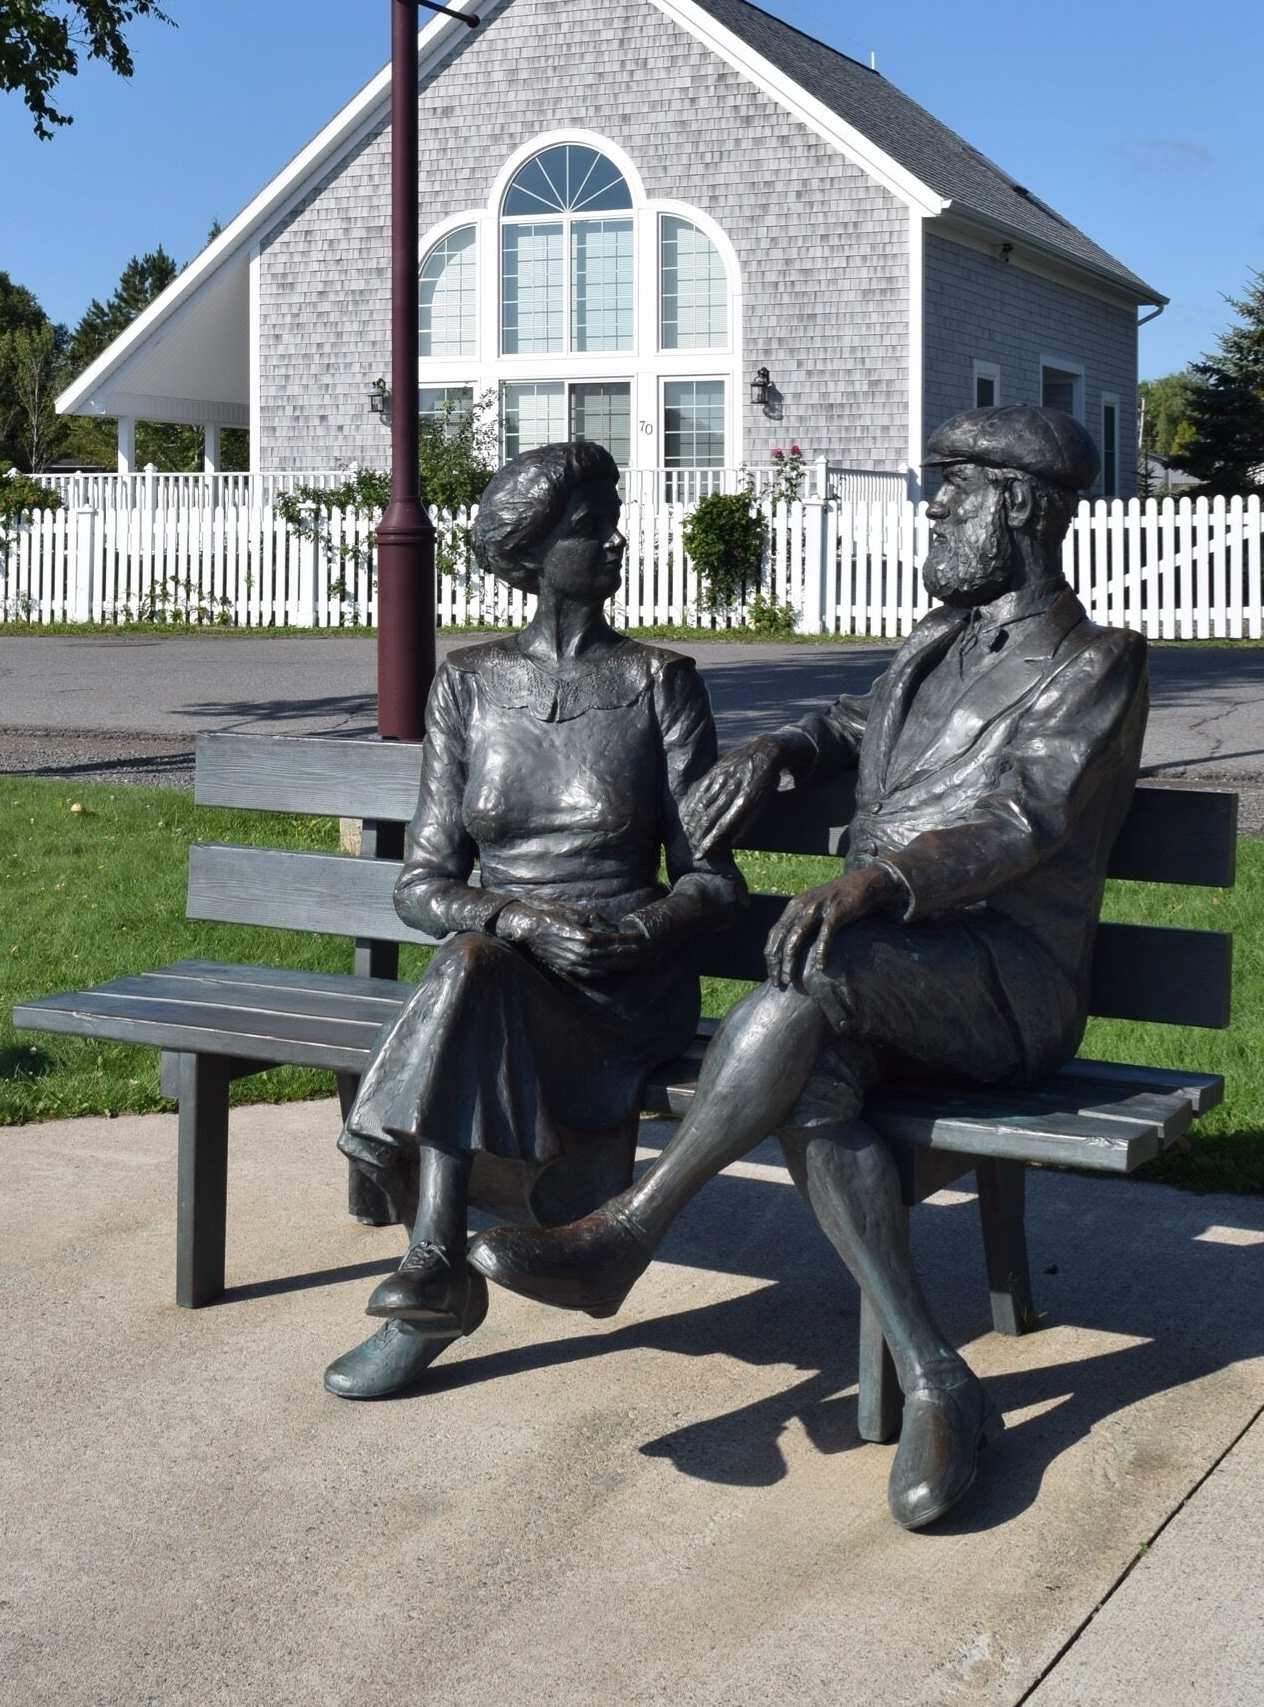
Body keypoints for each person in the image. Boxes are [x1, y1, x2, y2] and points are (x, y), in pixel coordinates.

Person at [470, 405, 1149, 1529]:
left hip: (1003, 981)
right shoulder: (936, 640)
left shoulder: (1095, 663)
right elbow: (851, 721)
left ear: (1021, 508)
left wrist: (878, 883)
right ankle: (937, 1377)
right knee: (806, 1067)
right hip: (882, 978)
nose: (936, 512)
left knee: (806, 986)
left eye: (956, 495)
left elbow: (1024, 817)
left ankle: (627, 1236)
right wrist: (778, 747)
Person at [325, 438, 744, 1401]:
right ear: (534, 550)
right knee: (473, 961)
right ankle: (436, 1268)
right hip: (507, 973)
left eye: (614, 523)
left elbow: (714, 882)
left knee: (469, 971)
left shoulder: (659, 682)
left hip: (624, 984)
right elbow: (422, 884)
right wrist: (520, 921)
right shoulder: (469, 685)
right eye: (592, 527)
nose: (616, 542)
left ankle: (432, 1272)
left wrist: (638, 932)